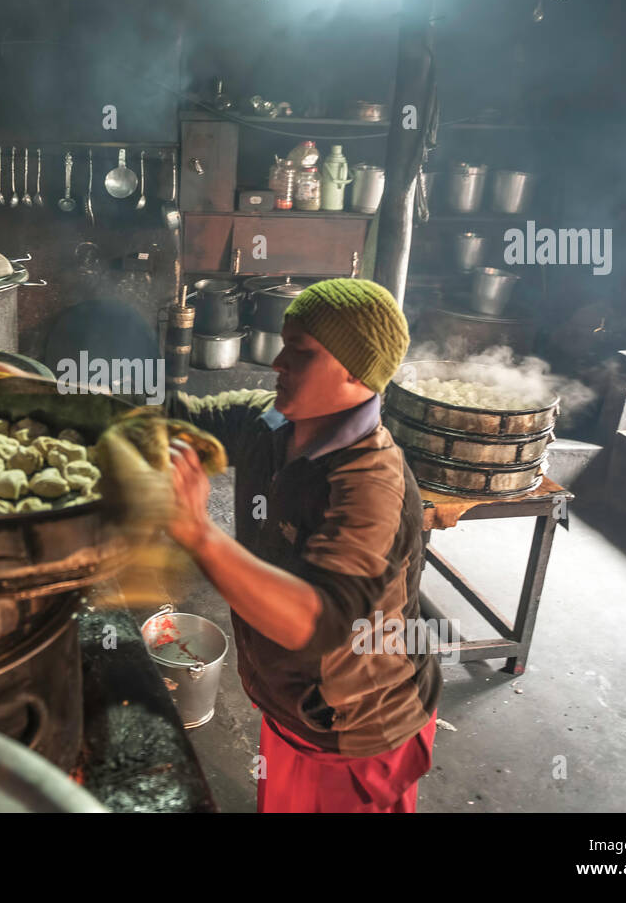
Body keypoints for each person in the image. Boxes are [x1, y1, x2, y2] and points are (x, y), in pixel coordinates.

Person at [164, 278, 440, 813]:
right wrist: (40, 395)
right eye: (285, 343)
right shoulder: (269, 423)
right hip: (292, 706)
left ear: (356, 372)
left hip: (356, 726)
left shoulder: (371, 486)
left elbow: (314, 623)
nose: (277, 362)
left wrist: (198, 532)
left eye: (302, 352)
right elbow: (171, 419)